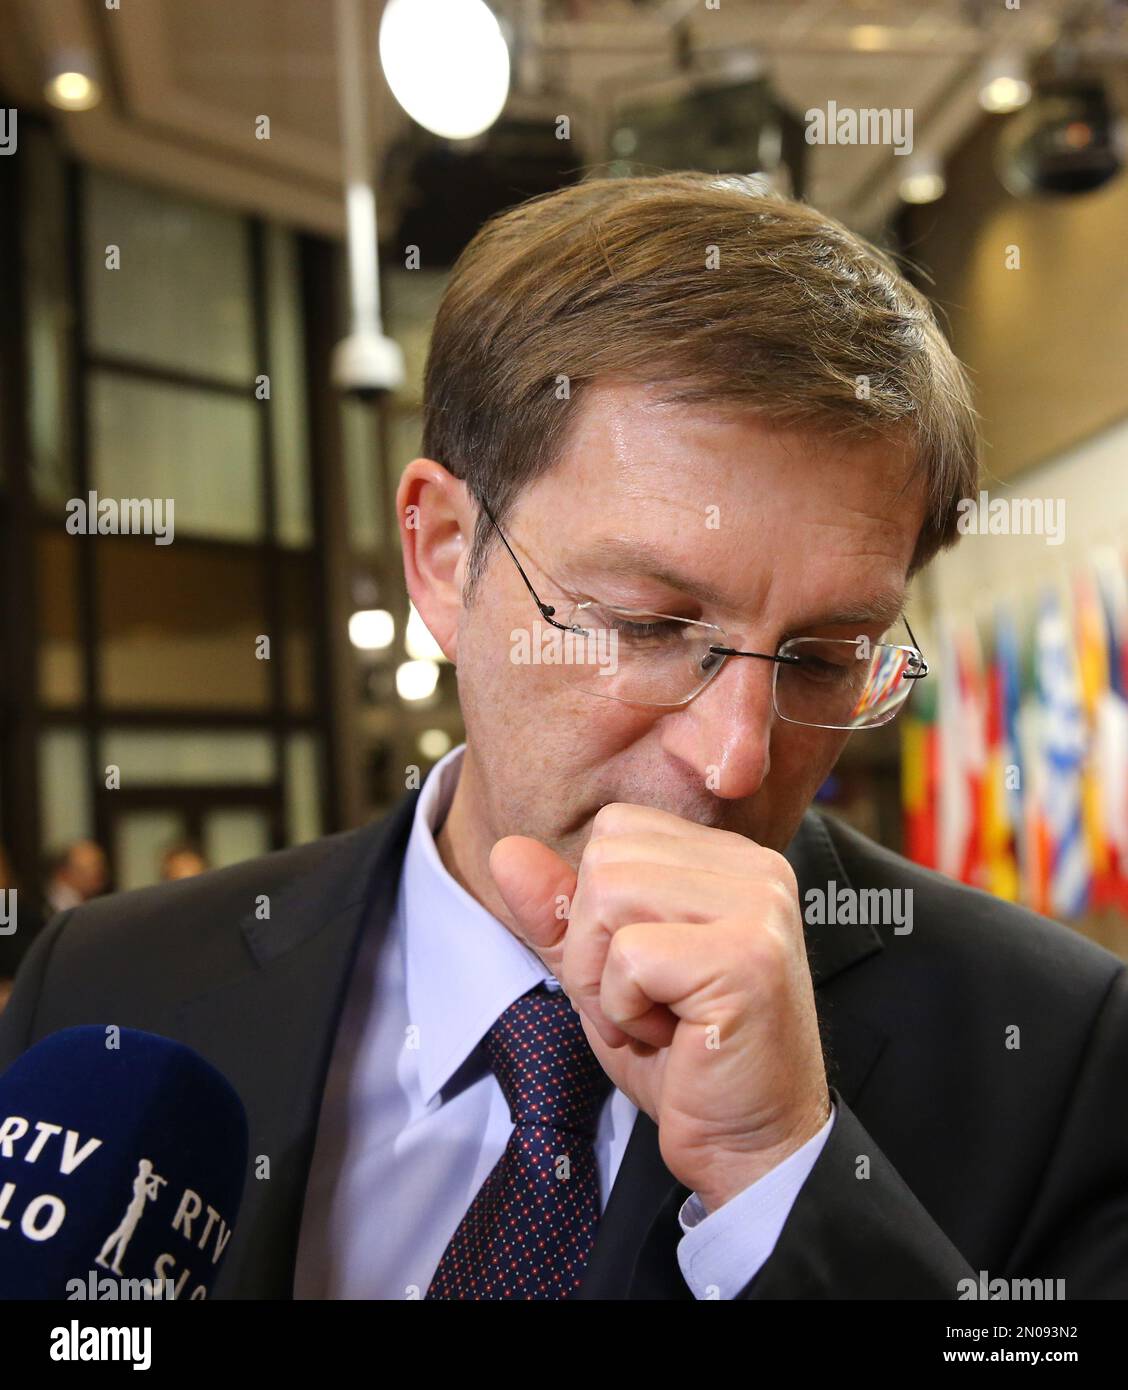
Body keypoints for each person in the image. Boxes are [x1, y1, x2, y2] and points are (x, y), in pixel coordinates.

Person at [1, 172, 1126, 1300]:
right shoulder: (104, 990)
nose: (736, 758)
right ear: (444, 554)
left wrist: (778, 1176)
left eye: (825, 656)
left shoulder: (1061, 1055)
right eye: (647, 624)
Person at [43, 839, 109, 915]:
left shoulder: (87, 903)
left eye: (100, 867)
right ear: (63, 873)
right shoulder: (57, 909)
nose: (100, 874)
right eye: (88, 869)